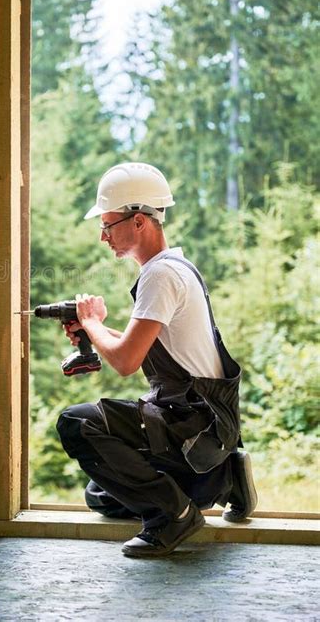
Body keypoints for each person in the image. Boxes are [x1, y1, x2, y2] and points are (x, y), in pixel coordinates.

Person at [56, 162, 257, 558]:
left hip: (190, 425)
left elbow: (127, 361)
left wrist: (93, 323)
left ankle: (176, 516)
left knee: (75, 423)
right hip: (204, 427)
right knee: (103, 495)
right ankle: (224, 478)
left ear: (139, 221)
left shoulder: (160, 276)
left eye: (108, 224)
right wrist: (96, 330)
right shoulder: (175, 269)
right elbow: (145, 344)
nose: (103, 236)